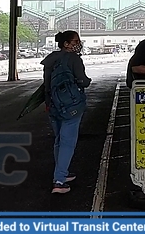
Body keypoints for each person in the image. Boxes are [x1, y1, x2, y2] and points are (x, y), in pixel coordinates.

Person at [41, 30, 92, 195]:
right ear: (66, 44)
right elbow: (83, 81)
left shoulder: (51, 59)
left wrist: (48, 103)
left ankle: (62, 172)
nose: (78, 44)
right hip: (71, 106)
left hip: (54, 105)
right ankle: (59, 180)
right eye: (75, 41)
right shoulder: (74, 60)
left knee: (59, 140)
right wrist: (85, 81)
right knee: (68, 142)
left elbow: (47, 85)